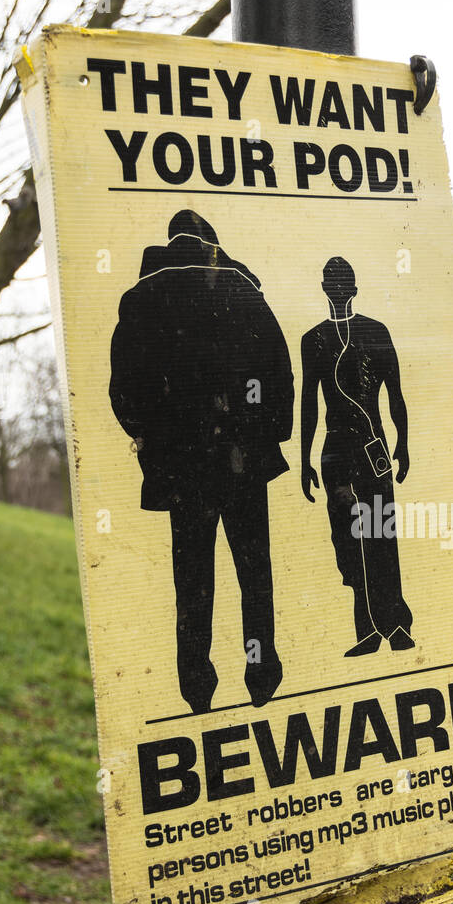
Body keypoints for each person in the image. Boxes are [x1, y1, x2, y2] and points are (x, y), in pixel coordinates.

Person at [109, 210, 293, 713]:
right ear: (212, 243)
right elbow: (278, 371)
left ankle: (197, 686)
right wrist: (269, 433)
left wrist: (151, 438)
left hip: (181, 466)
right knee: (254, 571)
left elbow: (126, 389)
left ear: (170, 243)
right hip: (244, 460)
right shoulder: (245, 292)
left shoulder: (140, 299)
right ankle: (262, 673)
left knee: (192, 580)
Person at [300, 256, 414, 655]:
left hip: (372, 447)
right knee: (348, 540)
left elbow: (395, 395)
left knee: (381, 535)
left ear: (353, 288)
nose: (336, 286)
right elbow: (308, 405)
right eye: (329, 279)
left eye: (342, 279)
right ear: (323, 287)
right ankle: (366, 630)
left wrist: (403, 444)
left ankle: (396, 624)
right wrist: (304, 460)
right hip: (335, 452)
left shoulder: (375, 331)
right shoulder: (313, 339)